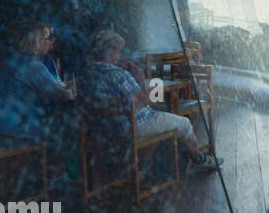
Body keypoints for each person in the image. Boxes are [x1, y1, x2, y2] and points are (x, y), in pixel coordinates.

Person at [79, 29, 221, 171]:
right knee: (184, 123)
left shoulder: (85, 72)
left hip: (101, 129)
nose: (119, 55)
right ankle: (199, 161)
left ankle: (143, 167)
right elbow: (145, 101)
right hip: (129, 130)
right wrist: (140, 76)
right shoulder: (119, 75)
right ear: (110, 52)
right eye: (118, 51)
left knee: (157, 119)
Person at [0, 22, 77, 140]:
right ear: (38, 42)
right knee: (64, 132)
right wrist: (72, 89)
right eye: (48, 38)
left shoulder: (12, 59)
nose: (52, 41)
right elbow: (63, 95)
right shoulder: (31, 66)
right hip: (10, 132)